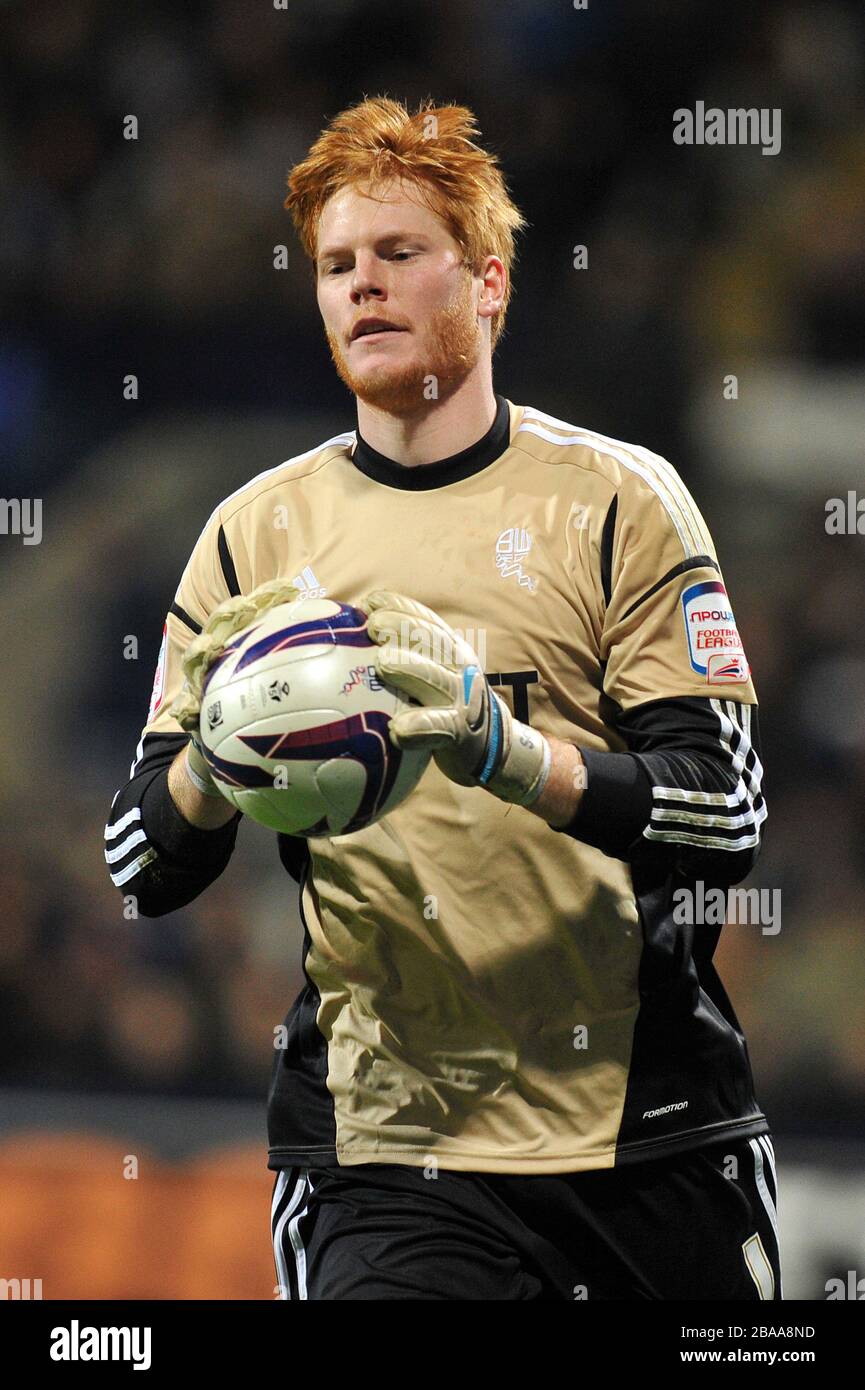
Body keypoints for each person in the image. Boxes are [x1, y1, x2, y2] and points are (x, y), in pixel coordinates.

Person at [104, 96, 780, 1301]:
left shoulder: (622, 501)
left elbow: (722, 815)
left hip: (649, 1140)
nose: (361, 286)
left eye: (399, 255)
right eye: (335, 265)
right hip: (385, 1162)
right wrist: (218, 756)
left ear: (488, 282)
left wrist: (503, 750)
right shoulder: (253, 537)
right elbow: (140, 866)